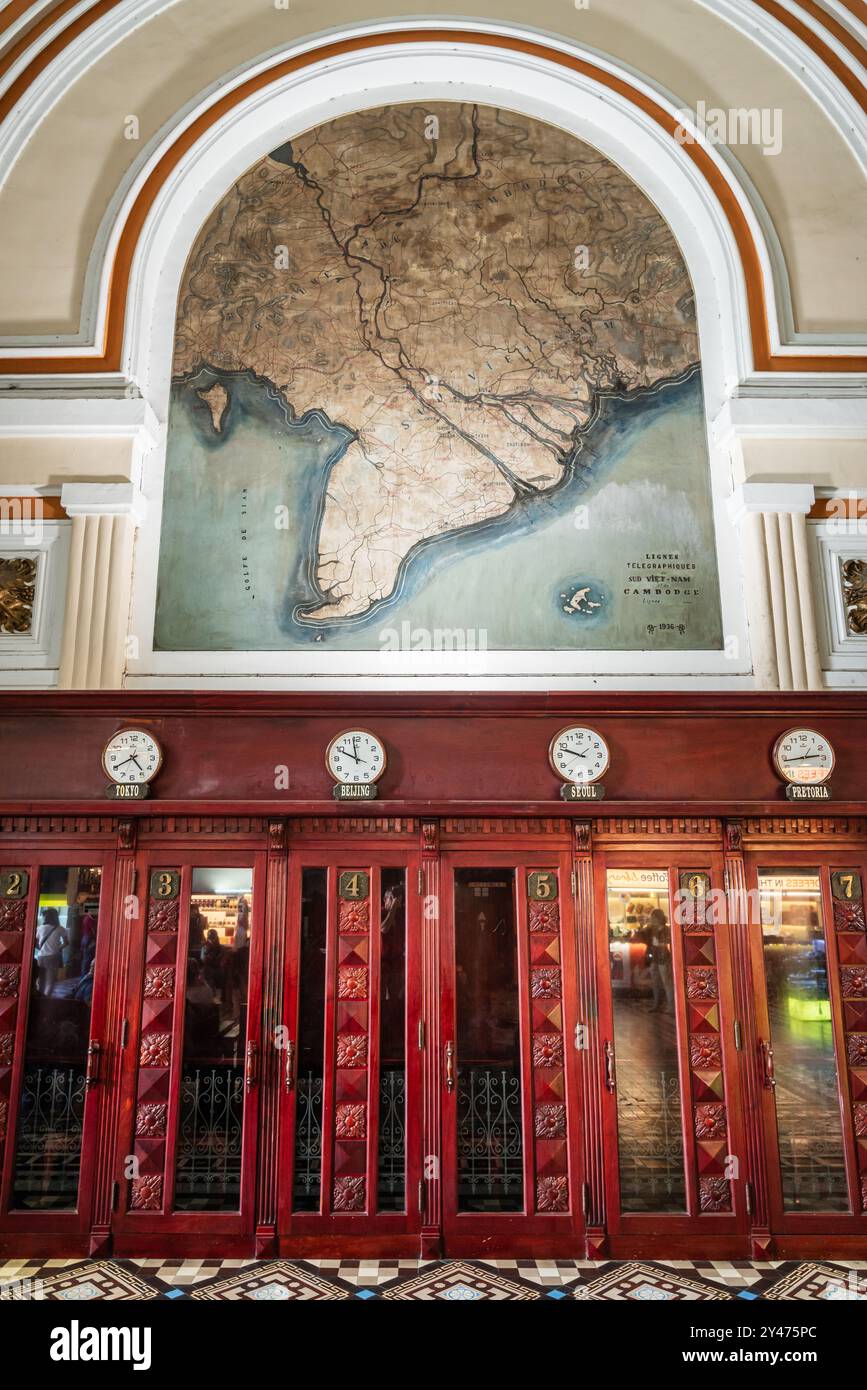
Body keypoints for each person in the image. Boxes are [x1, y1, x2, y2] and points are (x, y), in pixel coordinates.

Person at [647, 907, 674, 1012]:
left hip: (663, 958)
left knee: (666, 982)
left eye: (653, 917)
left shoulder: (665, 930)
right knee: (656, 982)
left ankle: (670, 1006)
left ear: (657, 918)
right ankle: (658, 1004)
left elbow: (668, 943)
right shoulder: (655, 929)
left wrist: (659, 944)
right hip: (656, 957)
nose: (651, 919)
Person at [35, 906, 67, 996]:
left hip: (41, 956)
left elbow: (35, 942)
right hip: (53, 956)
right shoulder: (60, 928)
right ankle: (46, 998)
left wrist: (41, 948)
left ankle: (39, 997)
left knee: (40, 979)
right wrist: (58, 948)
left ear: (46, 917)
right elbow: (66, 942)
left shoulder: (40, 928)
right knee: (50, 981)